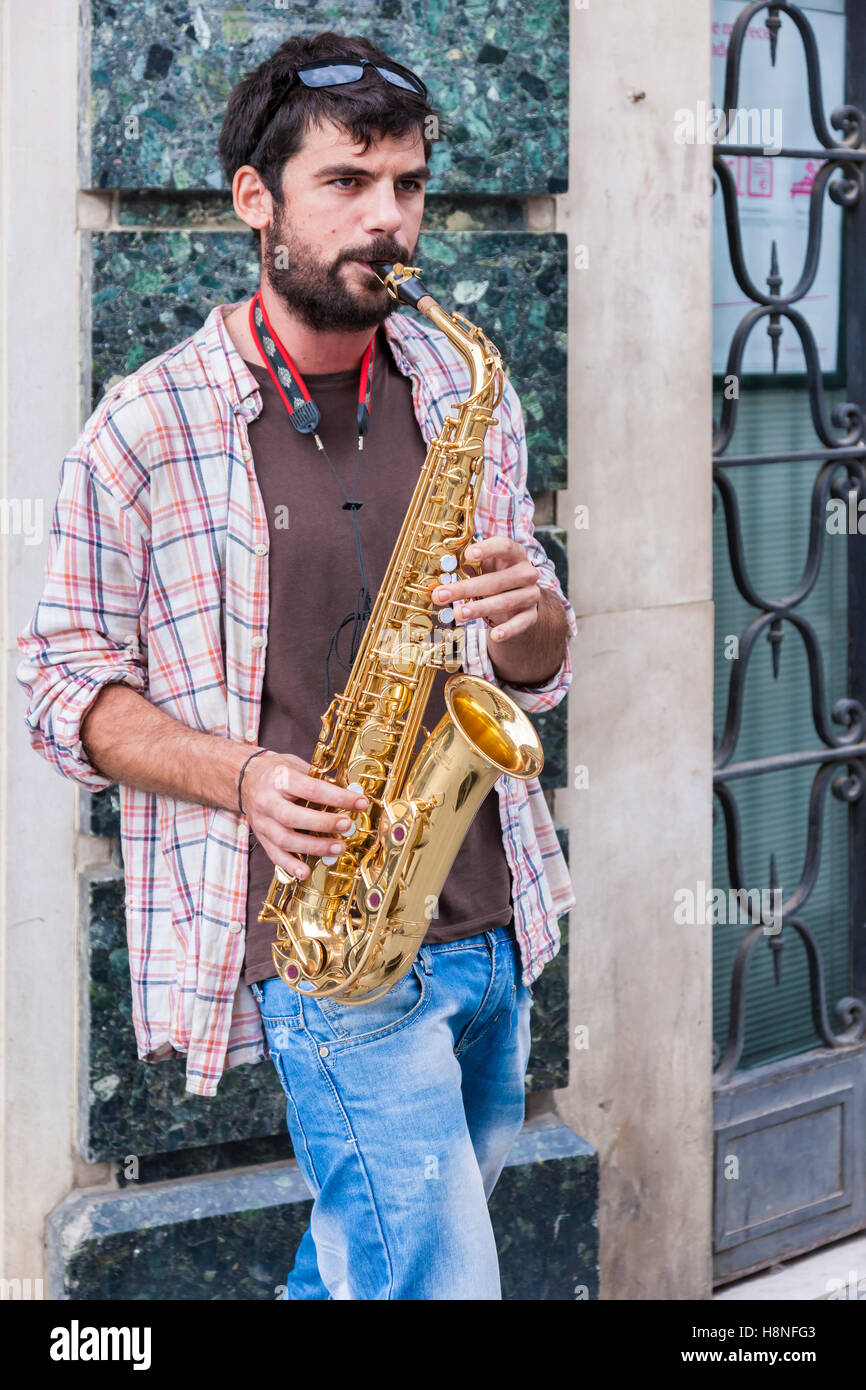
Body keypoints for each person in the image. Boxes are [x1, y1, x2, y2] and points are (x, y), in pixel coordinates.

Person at [16, 31, 577, 1300]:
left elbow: (534, 668)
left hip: (493, 921)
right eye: (348, 183)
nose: (389, 222)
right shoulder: (147, 426)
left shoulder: (458, 382)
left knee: (366, 1266)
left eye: (409, 186)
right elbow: (59, 684)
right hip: (331, 950)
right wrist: (242, 775)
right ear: (253, 200)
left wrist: (531, 613)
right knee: (439, 1284)